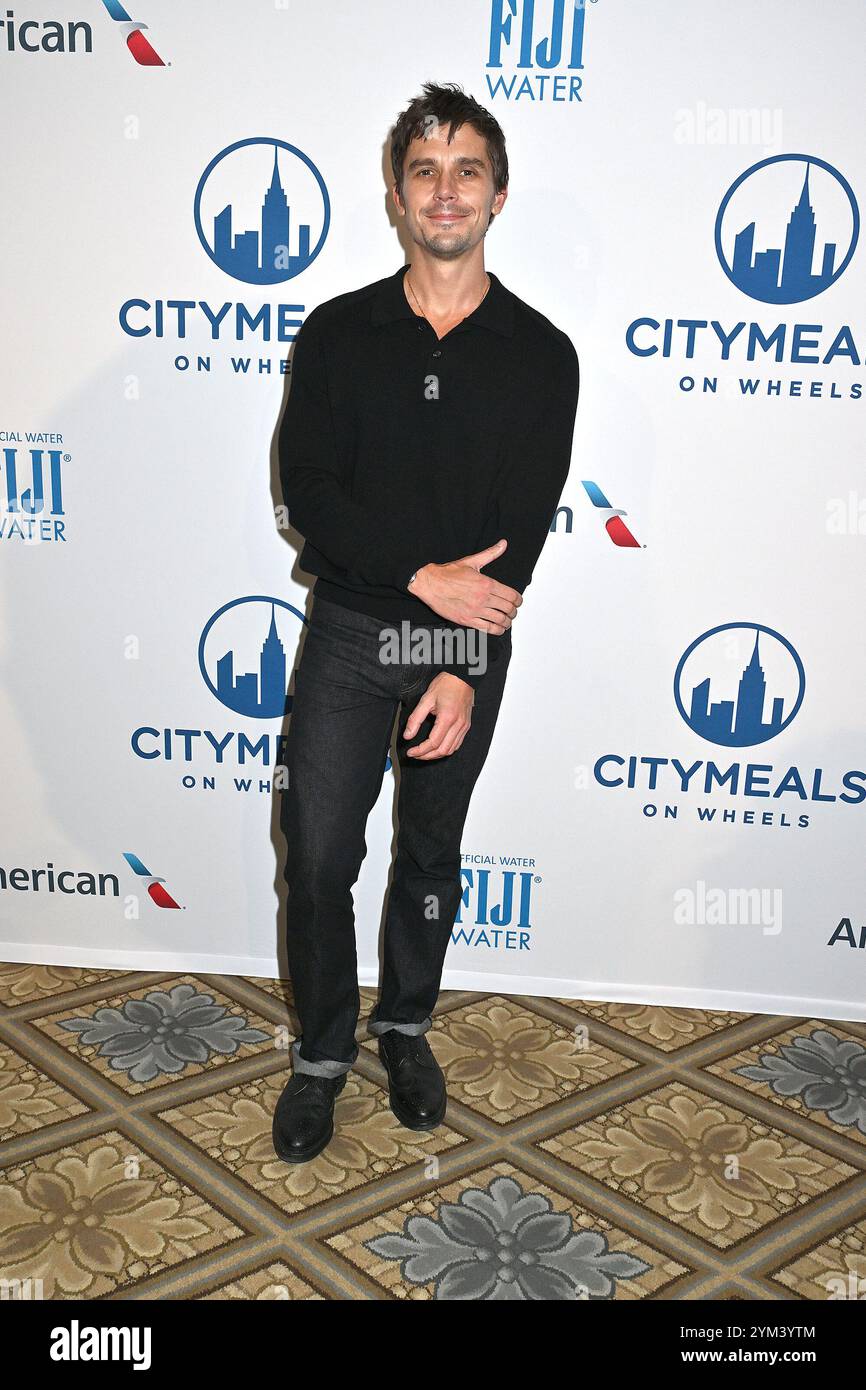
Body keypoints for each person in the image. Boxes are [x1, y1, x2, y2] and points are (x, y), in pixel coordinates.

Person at [273, 81, 579, 1163]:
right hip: (353, 630)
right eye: (422, 169)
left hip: (461, 647)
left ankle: (402, 1025)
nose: (443, 190)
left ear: (497, 194)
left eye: (465, 170)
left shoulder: (541, 355)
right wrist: (414, 576)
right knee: (315, 855)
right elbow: (307, 489)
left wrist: (462, 656)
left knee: (429, 851)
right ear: (396, 197)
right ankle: (319, 1053)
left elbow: (519, 529)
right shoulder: (341, 331)